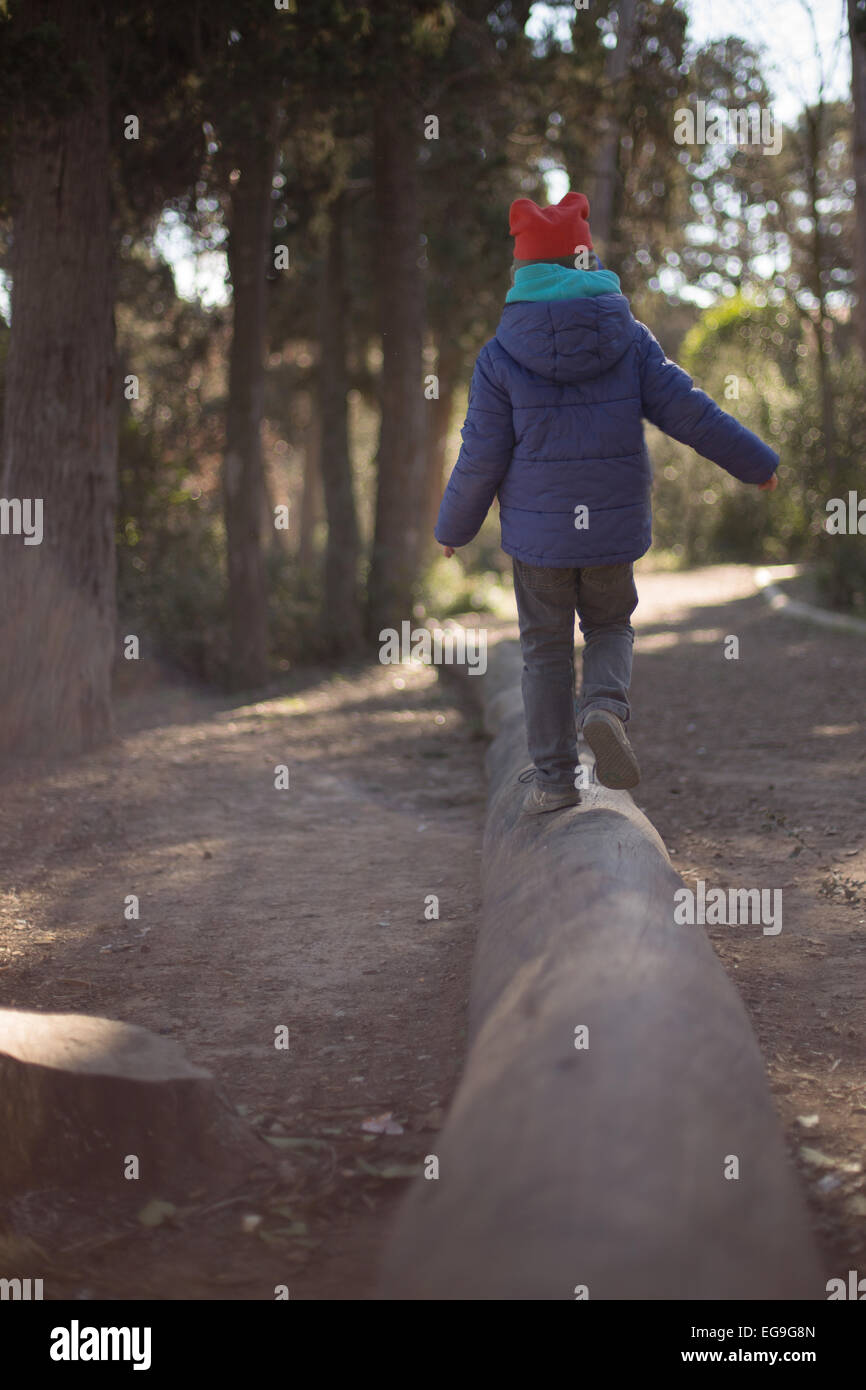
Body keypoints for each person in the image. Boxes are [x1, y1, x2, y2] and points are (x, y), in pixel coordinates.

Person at [434, 190, 779, 813]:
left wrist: (454, 525)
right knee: (611, 623)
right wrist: (755, 462)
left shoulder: (499, 356)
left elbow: (480, 455)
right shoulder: (631, 339)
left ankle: (555, 782)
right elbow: (690, 413)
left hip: (540, 541)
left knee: (543, 651)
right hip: (610, 531)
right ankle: (604, 706)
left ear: (524, 271)